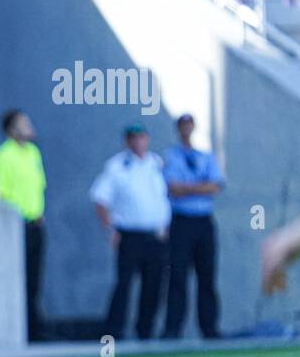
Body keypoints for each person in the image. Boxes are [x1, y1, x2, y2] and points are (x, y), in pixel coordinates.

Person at [90, 123, 171, 340]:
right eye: (133, 138)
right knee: (124, 284)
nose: (138, 142)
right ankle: (114, 331)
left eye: (142, 137)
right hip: (129, 234)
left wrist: (165, 226)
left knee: (154, 285)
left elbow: (162, 198)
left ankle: (146, 330)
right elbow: (100, 199)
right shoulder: (117, 166)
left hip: (155, 235)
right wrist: (110, 229)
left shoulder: (156, 163)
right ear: (127, 142)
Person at [162, 113, 224, 339]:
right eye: (183, 126)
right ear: (178, 129)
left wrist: (187, 188)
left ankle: (209, 327)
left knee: (207, 276)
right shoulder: (171, 156)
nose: (186, 129)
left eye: (189, 125)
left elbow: (215, 186)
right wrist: (199, 187)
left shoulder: (205, 156)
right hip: (181, 222)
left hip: (203, 222)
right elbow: (172, 188)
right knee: (177, 275)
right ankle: (173, 329)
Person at [0, 109, 48, 341]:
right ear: (12, 129)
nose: (29, 125)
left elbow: (39, 186)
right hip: (16, 226)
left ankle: (35, 329)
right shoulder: (2, 156)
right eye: (23, 123)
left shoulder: (33, 153)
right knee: (18, 279)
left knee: (35, 278)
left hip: (36, 223)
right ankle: (19, 331)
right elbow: (1, 193)